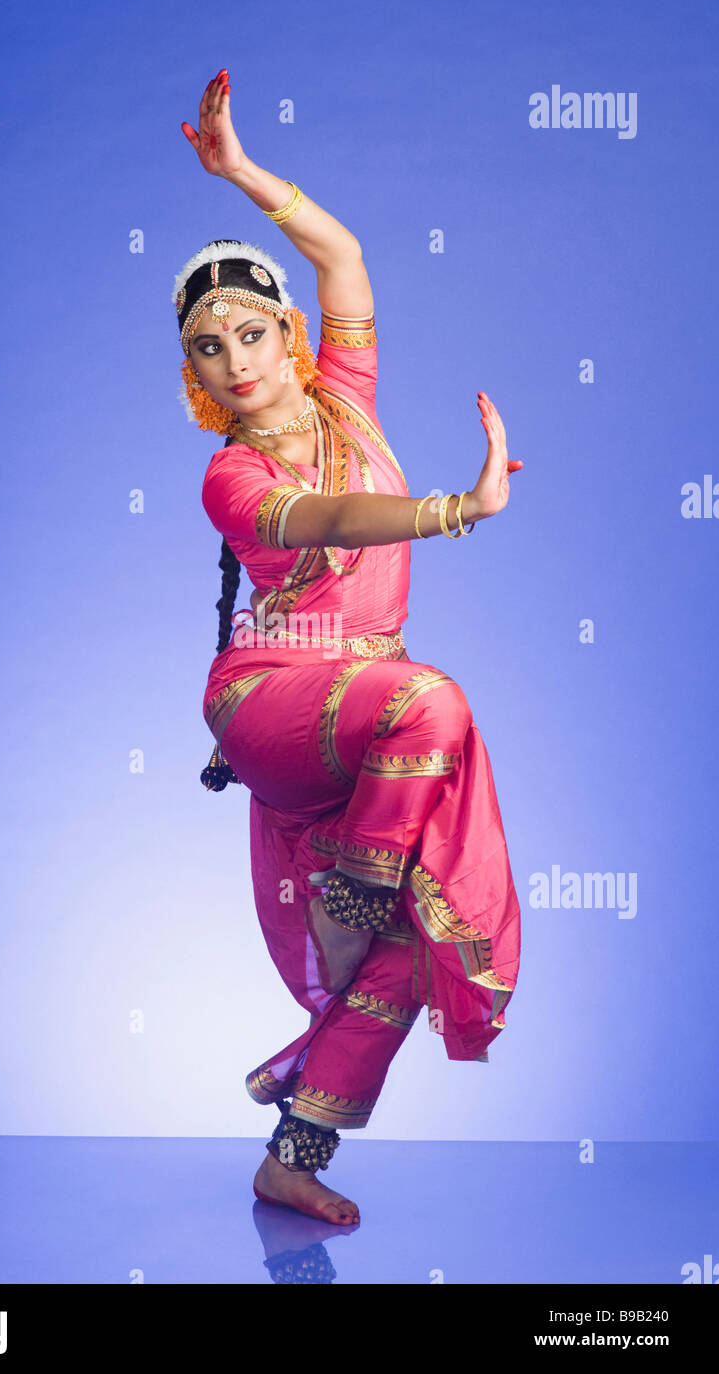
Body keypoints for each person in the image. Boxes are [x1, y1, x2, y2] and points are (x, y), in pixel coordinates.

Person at [176, 70, 523, 1226]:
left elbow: (344, 257)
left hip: (363, 698)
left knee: (413, 947)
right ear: (196, 374)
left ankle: (297, 1147)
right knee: (434, 701)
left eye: (247, 328)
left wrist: (239, 176)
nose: (233, 357)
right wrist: (446, 510)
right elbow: (321, 522)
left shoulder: (350, 401)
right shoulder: (232, 474)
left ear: (284, 330)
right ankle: (346, 888)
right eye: (205, 346)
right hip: (274, 695)